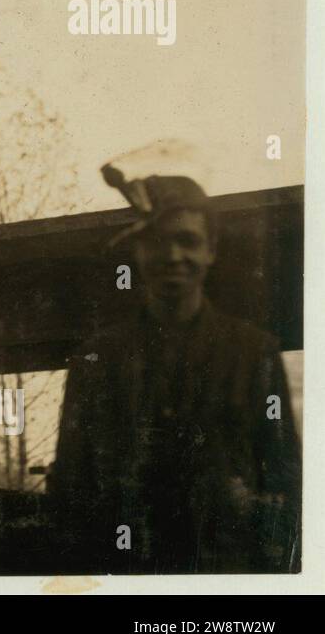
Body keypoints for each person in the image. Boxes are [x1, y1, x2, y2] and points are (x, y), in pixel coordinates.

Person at [48, 174, 301, 573]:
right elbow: (67, 490)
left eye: (188, 240)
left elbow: (288, 482)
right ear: (137, 251)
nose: (172, 255)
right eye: (157, 241)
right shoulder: (96, 360)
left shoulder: (255, 354)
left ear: (211, 250)